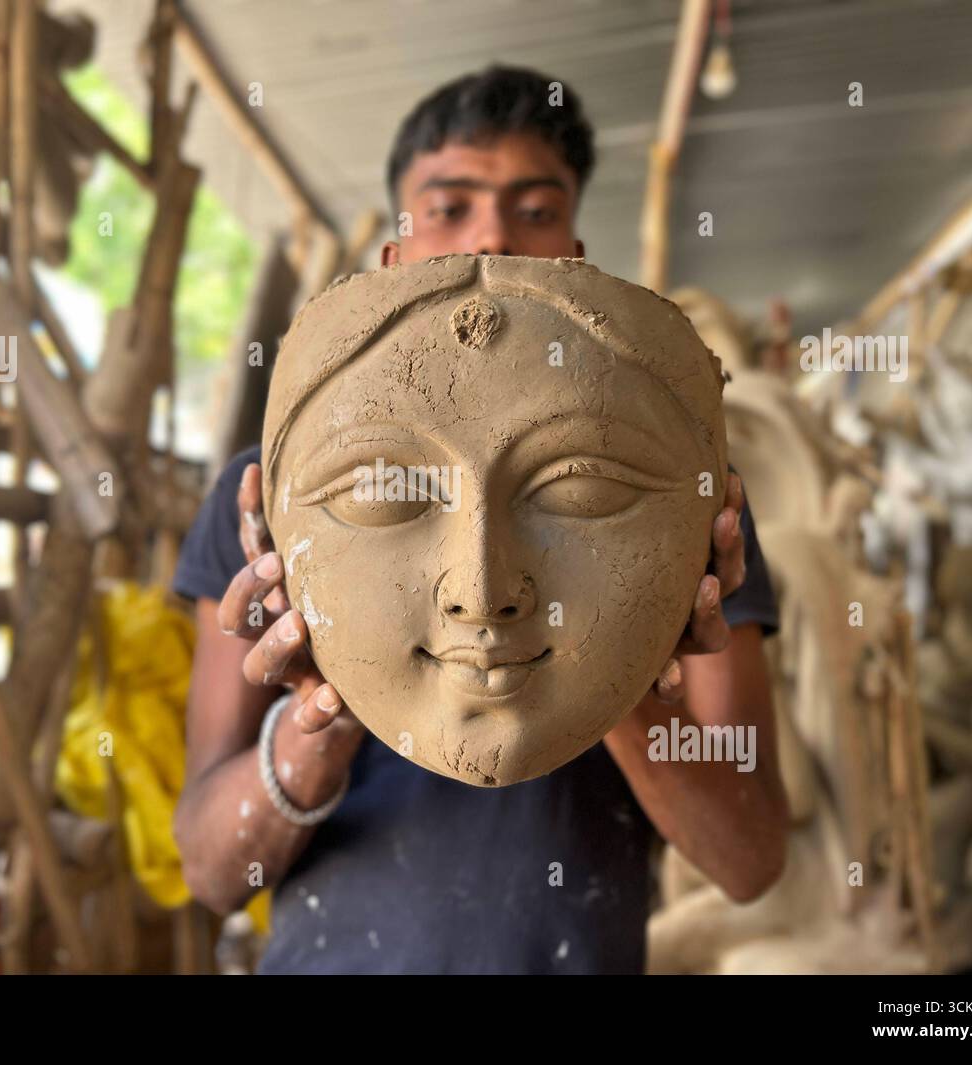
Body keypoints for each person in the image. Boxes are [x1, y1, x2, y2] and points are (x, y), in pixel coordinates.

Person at [173, 66, 788, 974]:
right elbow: (212, 871)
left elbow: (748, 860)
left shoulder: (685, 505)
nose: (493, 235)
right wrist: (324, 710)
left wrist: (622, 661)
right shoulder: (264, 497)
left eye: (533, 211)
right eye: (450, 208)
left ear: (575, 259)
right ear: (390, 260)